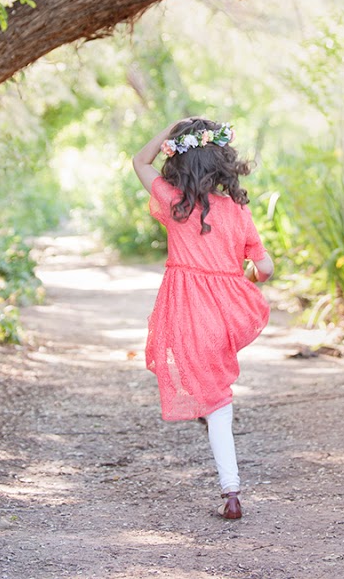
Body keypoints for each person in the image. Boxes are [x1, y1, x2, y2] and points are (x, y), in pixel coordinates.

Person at [132, 117, 273, 521]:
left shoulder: (175, 202)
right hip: (225, 311)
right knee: (216, 395)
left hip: (184, 310)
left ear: (179, 162)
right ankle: (230, 490)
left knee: (209, 394)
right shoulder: (238, 212)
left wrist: (166, 131)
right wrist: (244, 276)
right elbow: (265, 267)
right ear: (223, 163)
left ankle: (230, 485)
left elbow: (139, 163)